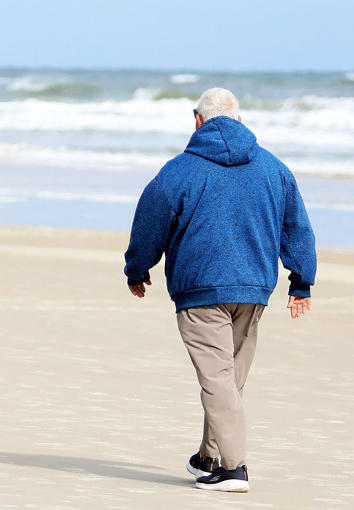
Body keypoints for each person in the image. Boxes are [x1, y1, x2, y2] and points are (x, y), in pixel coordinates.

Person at [123, 88, 316, 492]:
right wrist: (301, 280)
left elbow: (149, 224)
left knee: (219, 380)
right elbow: (296, 226)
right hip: (253, 289)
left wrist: (137, 269)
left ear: (197, 120)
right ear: (241, 121)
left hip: (200, 288)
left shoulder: (178, 171)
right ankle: (208, 456)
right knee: (228, 380)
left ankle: (234, 469)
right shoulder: (273, 168)